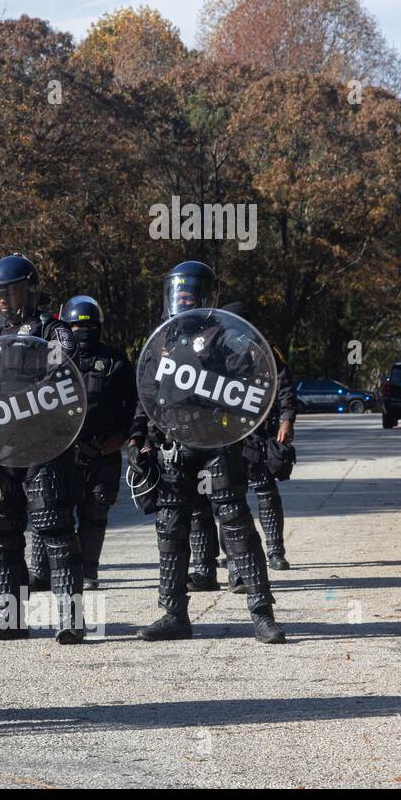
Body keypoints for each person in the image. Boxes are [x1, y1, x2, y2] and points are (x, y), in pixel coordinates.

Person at [127, 261, 285, 644]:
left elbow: (248, 387)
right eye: (177, 289)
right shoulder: (161, 341)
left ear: (207, 295)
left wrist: (245, 435)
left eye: (190, 290)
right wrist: (138, 438)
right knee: (169, 527)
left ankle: (262, 613)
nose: (182, 295)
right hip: (173, 444)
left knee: (235, 522)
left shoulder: (227, 336)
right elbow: (146, 397)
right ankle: (173, 613)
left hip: (218, 442)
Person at [0, 253, 87, 644]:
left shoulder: (54, 331)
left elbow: (67, 372)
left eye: (11, 291)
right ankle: (11, 620)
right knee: (2, 535)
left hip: (44, 446)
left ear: (30, 289)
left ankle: (70, 619)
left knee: (56, 531)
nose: (4, 300)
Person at [27, 296, 136, 591]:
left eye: (87, 326)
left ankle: (88, 571)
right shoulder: (48, 358)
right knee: (47, 510)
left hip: (102, 452)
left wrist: (124, 435)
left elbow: (133, 404)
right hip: (59, 452)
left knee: (95, 513)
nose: (81, 331)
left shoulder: (114, 361)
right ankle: (40, 572)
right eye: (74, 325)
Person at [188, 310, 297, 590]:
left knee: (265, 490)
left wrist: (286, 420)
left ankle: (275, 551)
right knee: (226, 497)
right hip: (227, 433)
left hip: (260, 430)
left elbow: (283, 387)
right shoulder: (212, 348)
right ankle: (234, 559)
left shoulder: (261, 348)